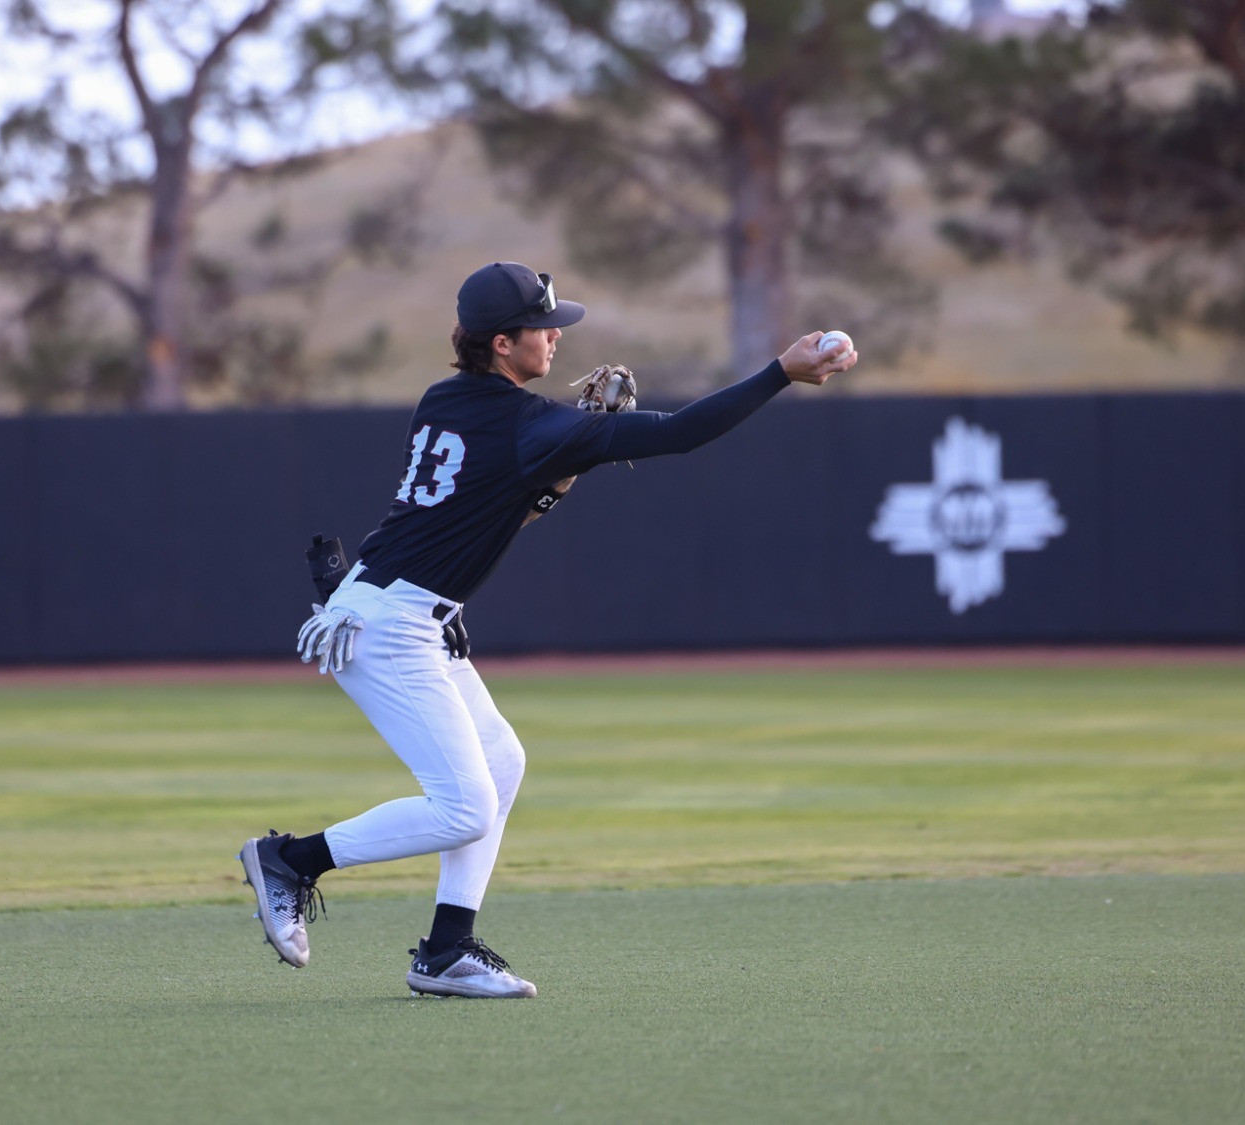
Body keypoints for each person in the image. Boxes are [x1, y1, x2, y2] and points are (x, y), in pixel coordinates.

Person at [239, 261, 858, 998]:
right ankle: (291, 860)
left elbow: (462, 511)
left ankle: (446, 949)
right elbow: (683, 433)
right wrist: (779, 372)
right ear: (502, 344)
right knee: (463, 805)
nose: (556, 339)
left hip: (397, 602)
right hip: (386, 624)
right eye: (542, 327)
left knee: (501, 763)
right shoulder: (533, 425)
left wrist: (558, 471)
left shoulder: (446, 399)